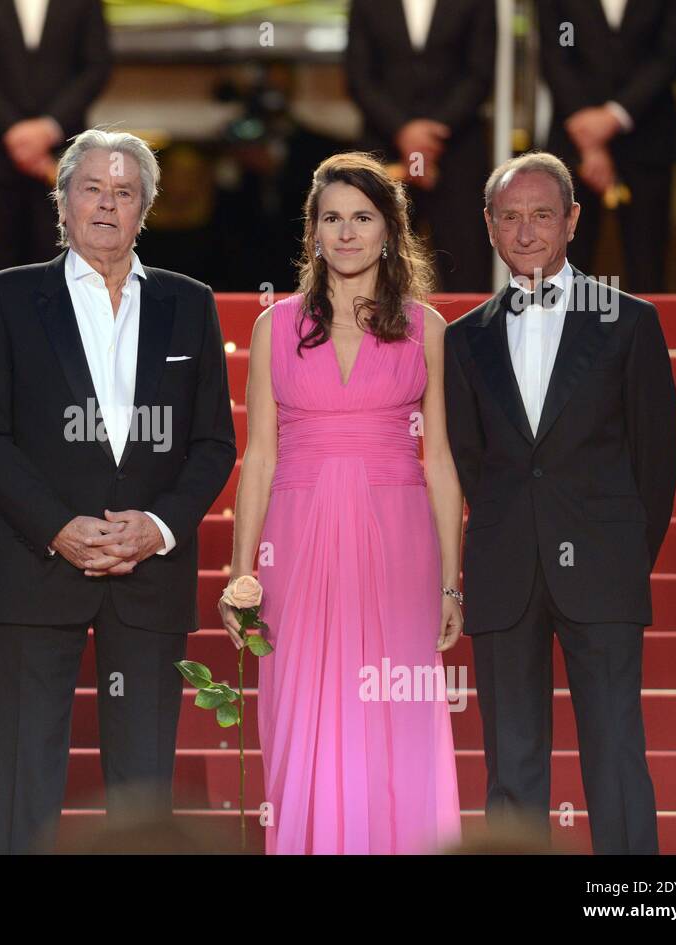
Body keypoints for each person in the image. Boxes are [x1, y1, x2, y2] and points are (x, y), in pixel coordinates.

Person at [0, 128, 236, 854]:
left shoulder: (189, 302)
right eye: (92, 189)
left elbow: (214, 443)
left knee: (144, 792)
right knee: (22, 777)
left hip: (152, 572)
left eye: (125, 193)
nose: (108, 206)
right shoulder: (6, 297)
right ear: (62, 202)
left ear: (146, 208)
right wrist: (55, 526)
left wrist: (158, 525)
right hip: (35, 564)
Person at [221, 151, 463, 854]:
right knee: (301, 715)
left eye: (362, 217)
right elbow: (258, 456)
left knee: (396, 716)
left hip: (397, 538)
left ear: (390, 229)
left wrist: (451, 579)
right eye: (333, 218)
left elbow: (440, 459)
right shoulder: (275, 326)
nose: (347, 233)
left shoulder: (427, 328)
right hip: (297, 537)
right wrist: (241, 576)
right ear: (313, 231)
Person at [443, 151, 676, 854]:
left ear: (573, 220)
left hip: (603, 569)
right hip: (504, 571)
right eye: (509, 217)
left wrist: (626, 556)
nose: (525, 231)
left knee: (615, 755)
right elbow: (471, 461)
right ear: (488, 226)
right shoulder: (465, 339)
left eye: (542, 214)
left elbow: (655, 462)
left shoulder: (630, 322)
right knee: (511, 764)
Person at [0, 0, 113, 274]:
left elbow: (97, 65)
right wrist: (13, 131)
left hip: (63, 163)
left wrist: (49, 128)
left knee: (62, 274)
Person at [537, 0, 676, 292]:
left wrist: (614, 117)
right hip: (571, 145)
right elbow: (552, 56)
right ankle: (559, 338)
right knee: (561, 267)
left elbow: (670, 55)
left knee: (648, 268)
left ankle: (644, 339)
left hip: (648, 140)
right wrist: (588, 137)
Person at [346, 0, 495, 292]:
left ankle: (463, 339)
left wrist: (428, 136)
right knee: (376, 270)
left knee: (466, 269)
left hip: (457, 154)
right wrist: (404, 132)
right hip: (383, 149)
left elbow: (480, 74)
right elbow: (359, 77)